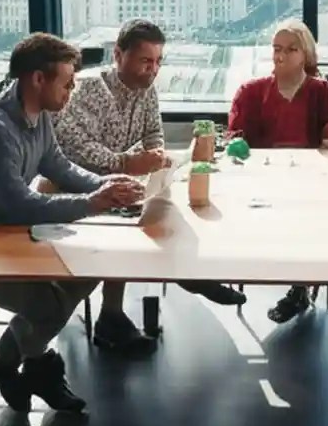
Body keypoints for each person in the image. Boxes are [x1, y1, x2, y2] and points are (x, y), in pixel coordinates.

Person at [0, 34, 145, 413]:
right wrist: (92, 203)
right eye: (67, 82)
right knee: (48, 304)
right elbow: (20, 204)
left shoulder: (37, 117)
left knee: (86, 271)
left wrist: (109, 186)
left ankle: (8, 362)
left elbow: (59, 167)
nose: (72, 90)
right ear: (38, 79)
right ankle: (24, 365)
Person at [53, 19, 245, 354]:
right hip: (72, 185)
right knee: (131, 223)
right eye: (145, 61)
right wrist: (126, 163)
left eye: (158, 62)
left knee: (166, 202)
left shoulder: (147, 90)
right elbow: (74, 148)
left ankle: (188, 272)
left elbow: (153, 132)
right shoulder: (87, 88)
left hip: (118, 180)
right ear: (118, 55)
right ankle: (119, 312)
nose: (153, 69)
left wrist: (155, 157)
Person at [228, 20, 328, 323]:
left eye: (291, 50)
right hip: (261, 181)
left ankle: (299, 288)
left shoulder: (326, 93)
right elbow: (236, 146)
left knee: (308, 214)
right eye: (277, 49)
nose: (281, 56)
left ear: (306, 54)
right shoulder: (250, 93)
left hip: (312, 182)